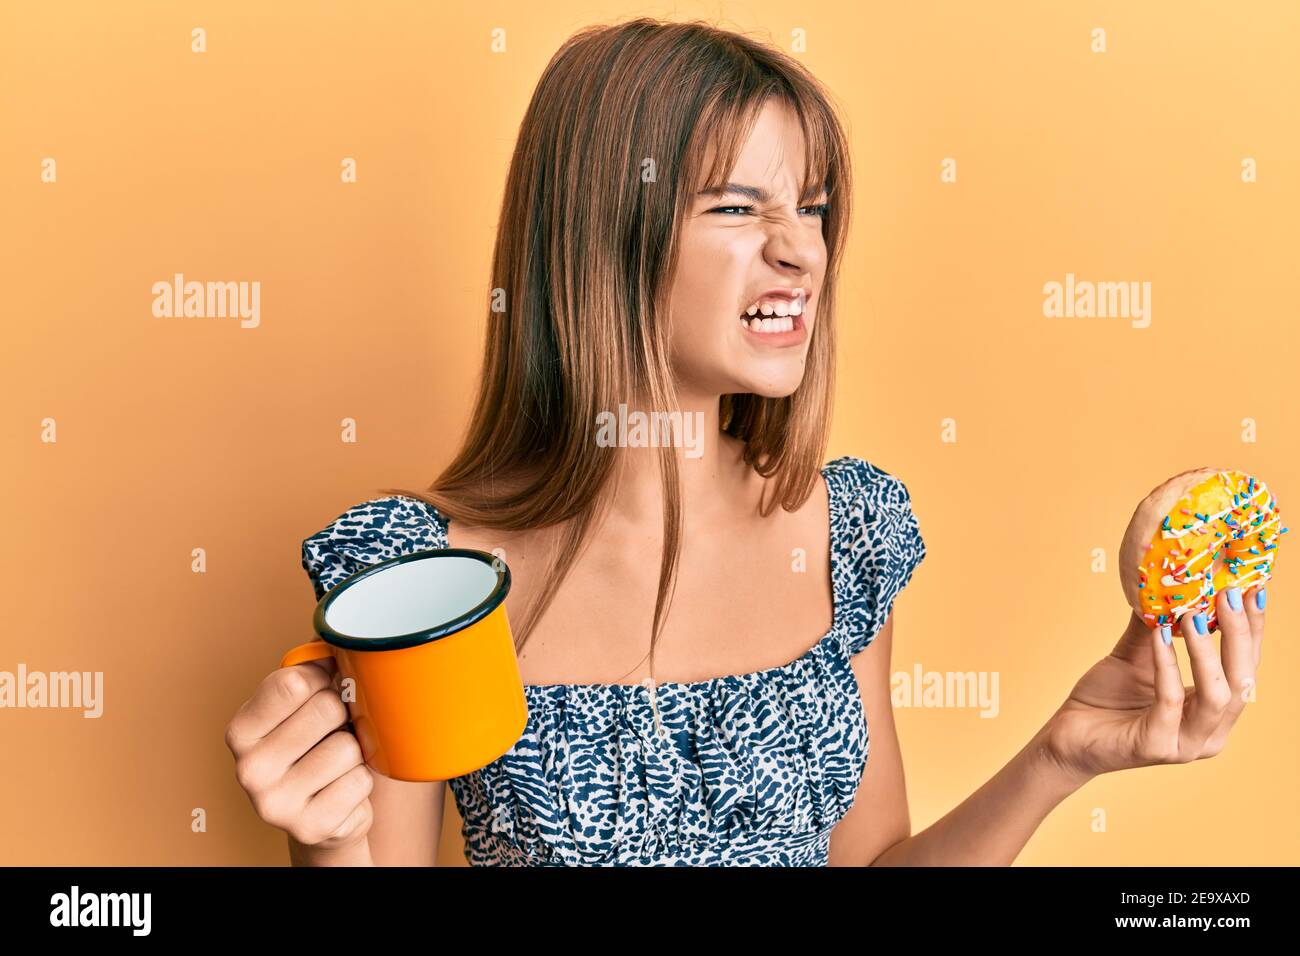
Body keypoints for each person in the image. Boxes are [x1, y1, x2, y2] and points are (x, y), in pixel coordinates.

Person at [225, 17, 1268, 867]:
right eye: (736, 205)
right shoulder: (427, 578)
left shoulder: (845, 532)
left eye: (811, 209)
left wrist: (1062, 751)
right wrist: (324, 843)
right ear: (600, 239)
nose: (798, 250)